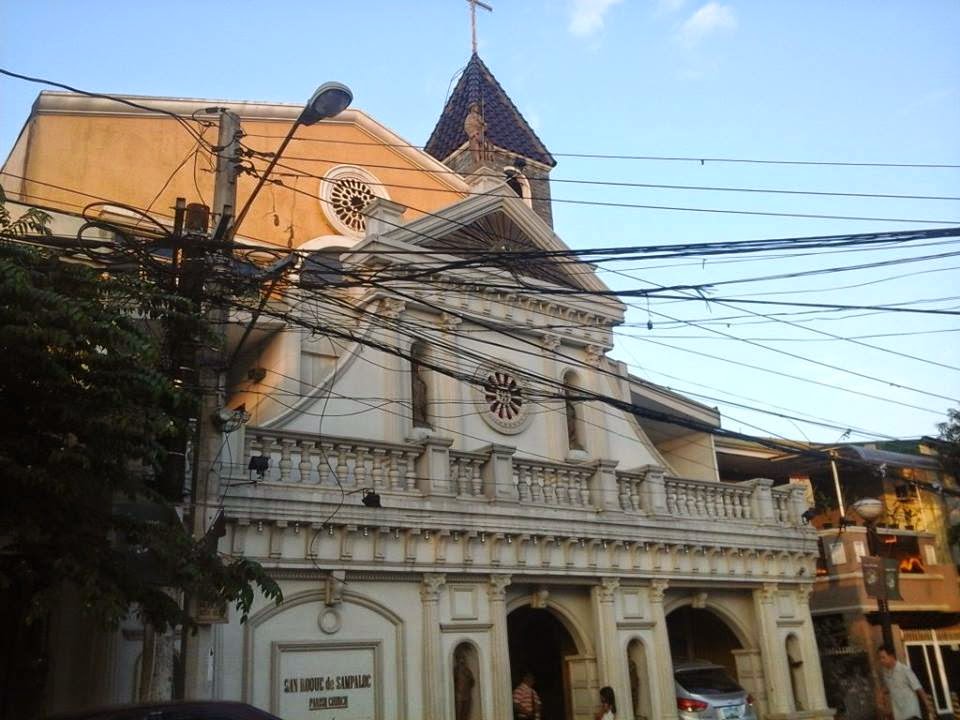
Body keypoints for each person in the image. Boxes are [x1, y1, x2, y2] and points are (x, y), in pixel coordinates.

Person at [877, 644, 934, 720]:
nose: (881, 661)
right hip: (899, 714)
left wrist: (927, 705)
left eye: (883, 657)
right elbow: (891, 687)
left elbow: (918, 687)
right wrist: (881, 693)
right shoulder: (885, 673)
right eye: (880, 658)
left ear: (891, 656)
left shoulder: (904, 670)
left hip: (911, 712)